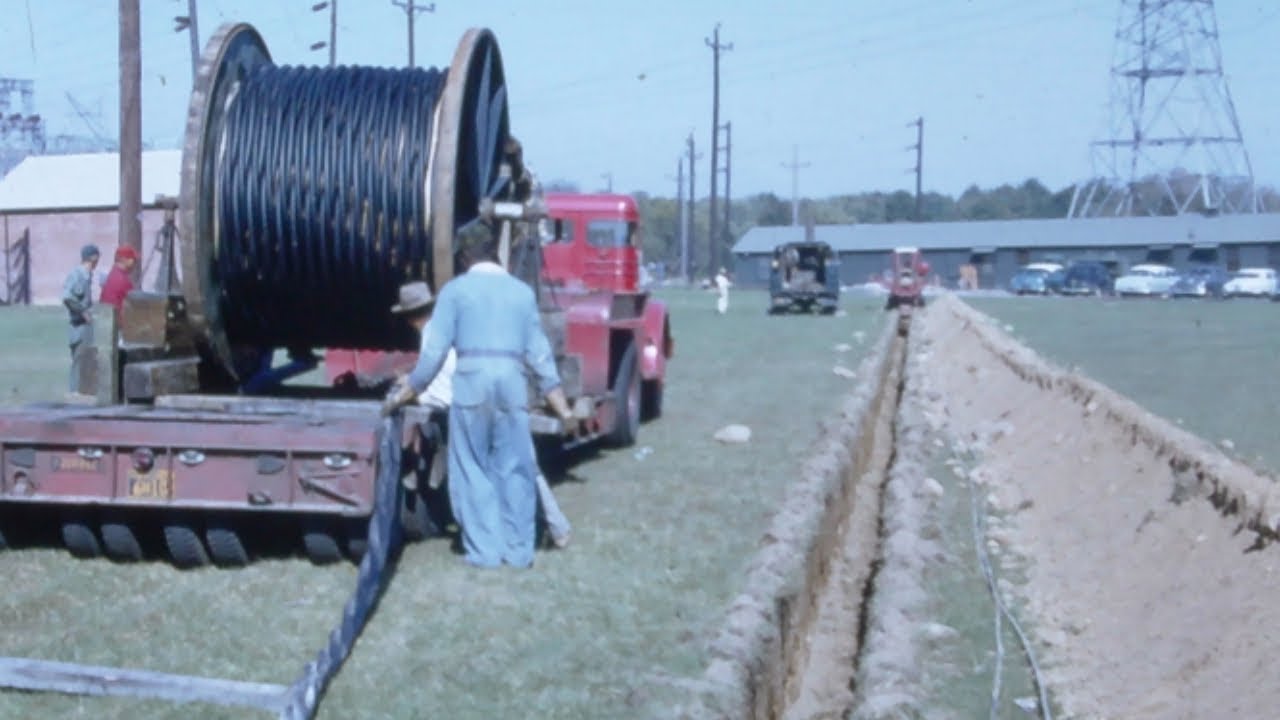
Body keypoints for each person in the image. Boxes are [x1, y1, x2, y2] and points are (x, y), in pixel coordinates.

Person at [383, 224, 575, 568]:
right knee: (515, 468)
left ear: (465, 257)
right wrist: (561, 406)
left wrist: (407, 391)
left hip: (471, 385)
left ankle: (484, 552)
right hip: (512, 385)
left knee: (472, 468)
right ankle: (518, 553)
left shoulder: (455, 293)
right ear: (493, 253)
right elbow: (540, 354)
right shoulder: (521, 294)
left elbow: (434, 354)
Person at [62, 244, 100, 393]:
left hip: (86, 328)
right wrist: (83, 312)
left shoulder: (87, 276)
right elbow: (67, 297)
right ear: (93, 258)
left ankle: (82, 394)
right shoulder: (77, 275)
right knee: (79, 363)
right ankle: (74, 395)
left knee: (87, 363)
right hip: (79, 327)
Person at [100, 245, 138, 312]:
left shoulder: (113, 272)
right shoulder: (123, 279)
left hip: (106, 315)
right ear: (124, 259)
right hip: (116, 318)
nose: (135, 263)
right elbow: (134, 304)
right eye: (133, 259)